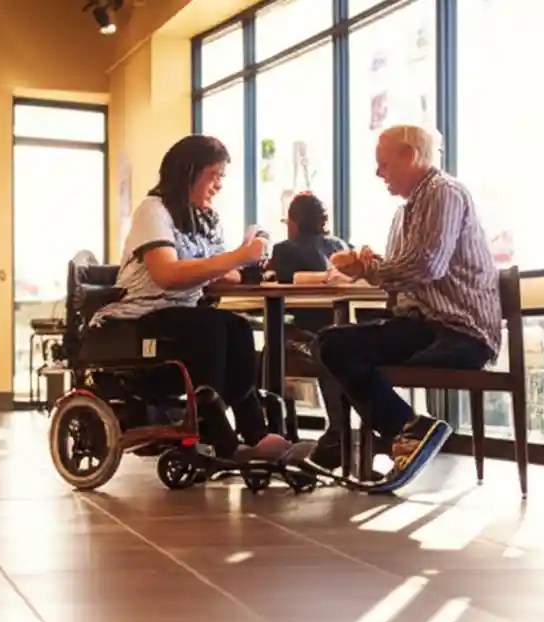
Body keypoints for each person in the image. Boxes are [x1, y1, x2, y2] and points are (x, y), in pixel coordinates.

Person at [306, 124, 502, 487]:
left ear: (410, 156)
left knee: (338, 348)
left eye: (383, 163)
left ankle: (399, 434)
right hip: (427, 326)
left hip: (460, 332)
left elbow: (426, 266)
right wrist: (371, 266)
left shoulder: (443, 192)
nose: (378, 172)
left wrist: (367, 268)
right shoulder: (408, 210)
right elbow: (410, 272)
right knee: (330, 344)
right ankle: (399, 435)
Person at [92, 134, 294, 461]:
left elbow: (218, 270)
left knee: (238, 329)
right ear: (189, 173)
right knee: (211, 329)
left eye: (221, 178)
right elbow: (167, 274)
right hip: (141, 315)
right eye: (214, 176)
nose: (218, 186)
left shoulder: (202, 218)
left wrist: (249, 266)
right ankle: (218, 437)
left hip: (181, 313)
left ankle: (256, 434)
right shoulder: (153, 210)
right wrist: (239, 255)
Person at [266, 192, 352, 443]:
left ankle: (274, 430)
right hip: (342, 329)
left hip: (306, 337)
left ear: (292, 223)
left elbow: (273, 281)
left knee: (268, 353)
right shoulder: (340, 246)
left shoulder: (284, 250)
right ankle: (340, 428)